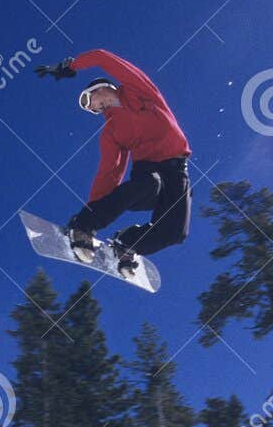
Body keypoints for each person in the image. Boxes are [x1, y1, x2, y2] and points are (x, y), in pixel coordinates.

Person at [35, 48, 192, 275]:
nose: (92, 108)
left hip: (178, 171)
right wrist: (91, 214)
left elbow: (102, 57)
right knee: (151, 183)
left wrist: (71, 66)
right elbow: (109, 171)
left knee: (176, 233)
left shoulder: (139, 91)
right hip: (147, 175)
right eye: (89, 109)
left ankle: (126, 243)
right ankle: (81, 227)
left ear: (102, 87)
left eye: (89, 99)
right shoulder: (110, 131)